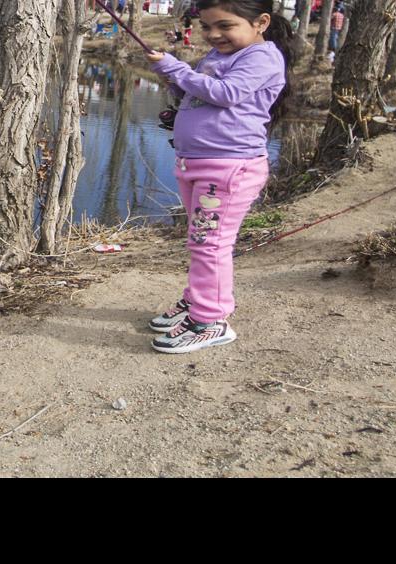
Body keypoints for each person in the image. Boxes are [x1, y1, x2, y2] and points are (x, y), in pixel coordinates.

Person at [143, 0, 290, 354]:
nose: (213, 35)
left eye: (225, 26)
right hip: (195, 163)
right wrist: (174, 81)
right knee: (200, 240)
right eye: (207, 27)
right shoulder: (217, 58)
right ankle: (196, 301)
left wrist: (177, 69)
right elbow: (196, 94)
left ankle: (211, 320)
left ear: (261, 22)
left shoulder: (262, 58)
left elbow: (227, 95)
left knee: (211, 243)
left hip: (229, 167)